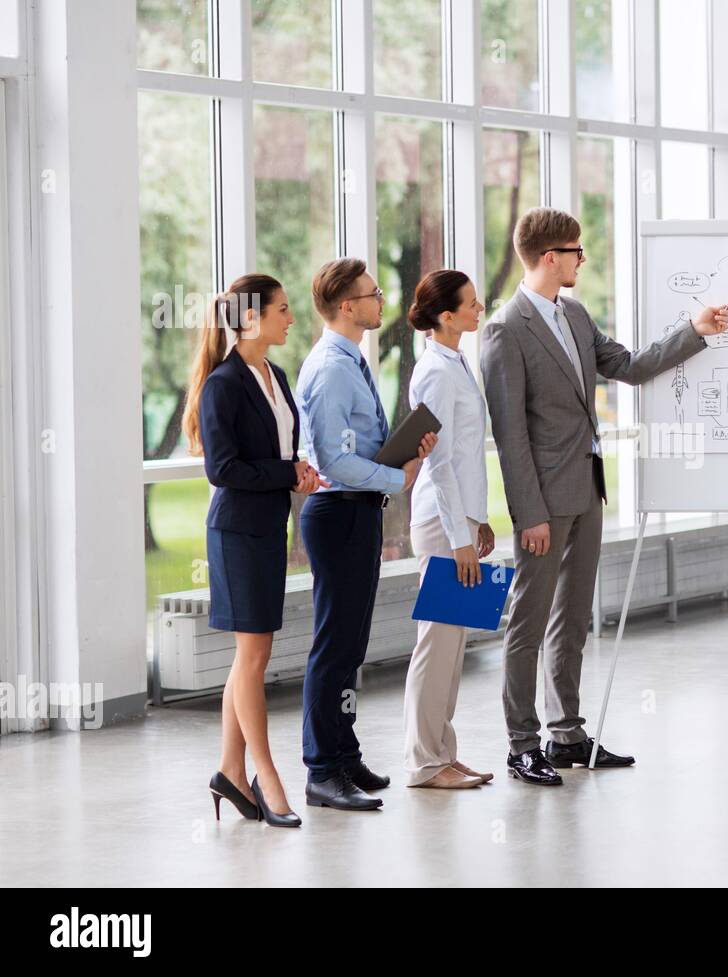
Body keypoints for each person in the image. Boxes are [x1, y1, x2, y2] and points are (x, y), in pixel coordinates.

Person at [480, 206, 728, 786]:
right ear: (550, 258)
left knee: (572, 619)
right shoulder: (504, 330)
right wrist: (529, 514)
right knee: (528, 620)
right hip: (543, 503)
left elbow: (630, 366)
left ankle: (566, 733)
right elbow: (510, 435)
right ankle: (522, 744)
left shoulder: (573, 312)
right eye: (575, 252)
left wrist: (695, 331)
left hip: (586, 491)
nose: (581, 260)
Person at [185, 273, 327, 829]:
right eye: (283, 310)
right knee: (252, 657)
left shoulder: (276, 374)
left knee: (253, 658)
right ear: (252, 318)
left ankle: (228, 772)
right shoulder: (223, 384)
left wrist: (299, 472)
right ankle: (266, 775)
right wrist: (284, 473)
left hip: (269, 529)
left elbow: (281, 451)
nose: (291, 319)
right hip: (237, 533)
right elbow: (221, 469)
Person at [296, 258, 436, 812]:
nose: (382, 300)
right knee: (334, 645)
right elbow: (333, 459)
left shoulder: (349, 360)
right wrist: (395, 477)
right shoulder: (331, 367)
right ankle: (321, 769)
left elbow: (358, 446)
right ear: (348, 306)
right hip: (338, 512)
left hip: (358, 510)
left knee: (351, 644)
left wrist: (402, 457)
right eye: (373, 293)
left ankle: (345, 752)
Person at [402, 269, 496, 789]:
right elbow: (437, 464)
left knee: (453, 644)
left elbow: (464, 455)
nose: (479, 309)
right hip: (441, 528)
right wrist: (460, 534)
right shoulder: (435, 371)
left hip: (459, 522)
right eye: (472, 304)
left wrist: (478, 520)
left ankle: (444, 752)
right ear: (446, 315)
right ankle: (423, 761)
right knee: (436, 643)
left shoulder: (455, 360)